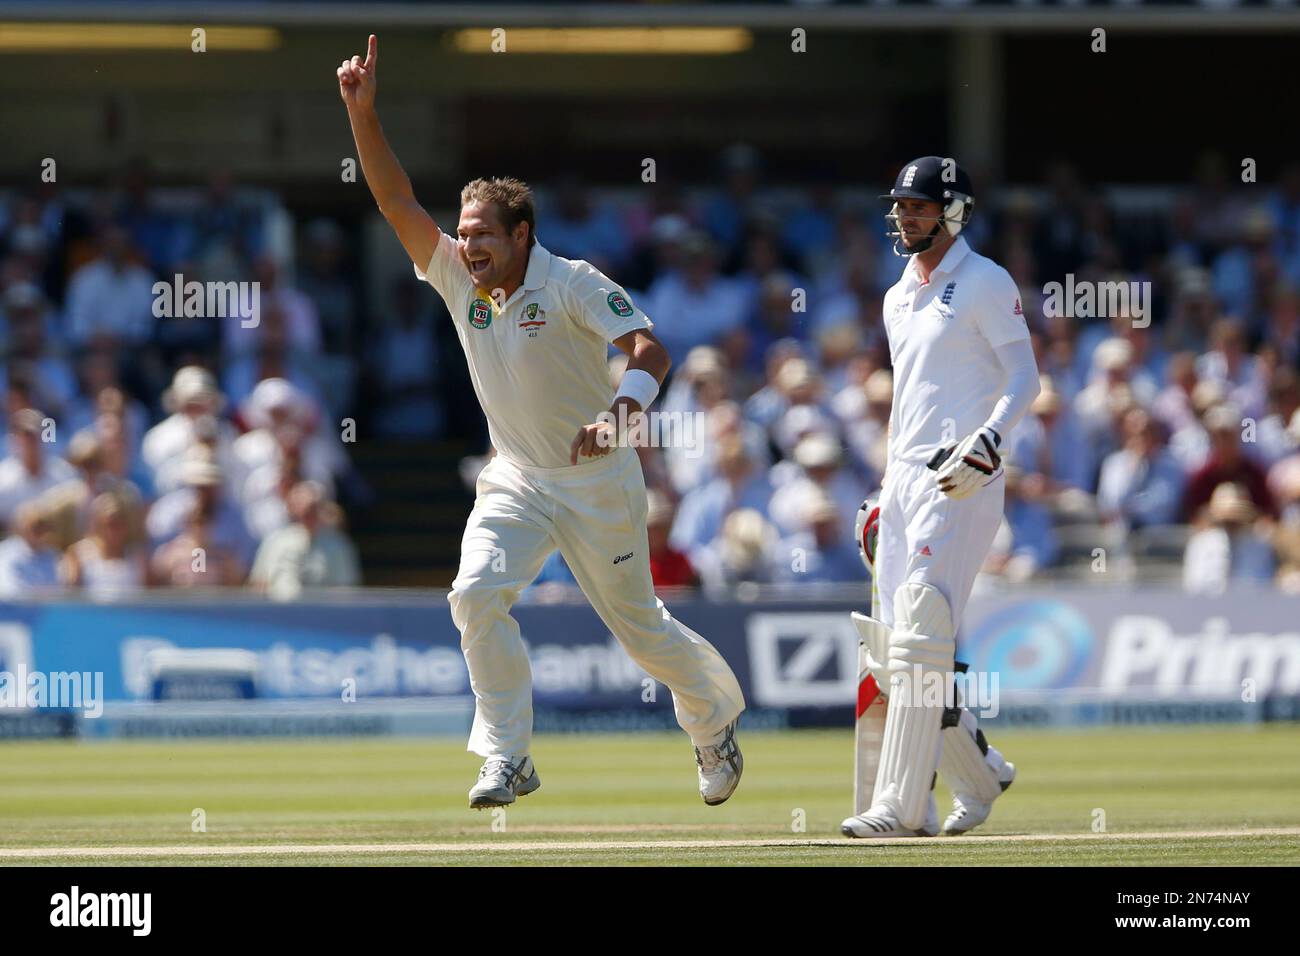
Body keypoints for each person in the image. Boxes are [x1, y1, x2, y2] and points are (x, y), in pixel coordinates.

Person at [338, 35, 746, 810]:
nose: (466, 246)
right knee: (474, 593)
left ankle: (713, 722)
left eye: (482, 234)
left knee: (642, 633)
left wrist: (620, 417)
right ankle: (507, 755)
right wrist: (363, 113)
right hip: (517, 478)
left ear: (522, 234)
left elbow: (651, 348)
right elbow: (395, 202)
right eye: (462, 233)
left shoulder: (571, 282)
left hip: (597, 481)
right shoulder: (460, 279)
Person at [841, 157, 1038, 839]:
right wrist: (887, 485)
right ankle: (980, 778)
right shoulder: (899, 293)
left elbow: (1025, 378)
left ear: (953, 211)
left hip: (965, 478)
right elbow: (913, 399)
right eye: (899, 206)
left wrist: (988, 441)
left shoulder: (984, 281)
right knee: (894, 652)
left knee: (923, 628)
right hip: (904, 480)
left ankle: (895, 809)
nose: (903, 217)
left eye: (918, 207)